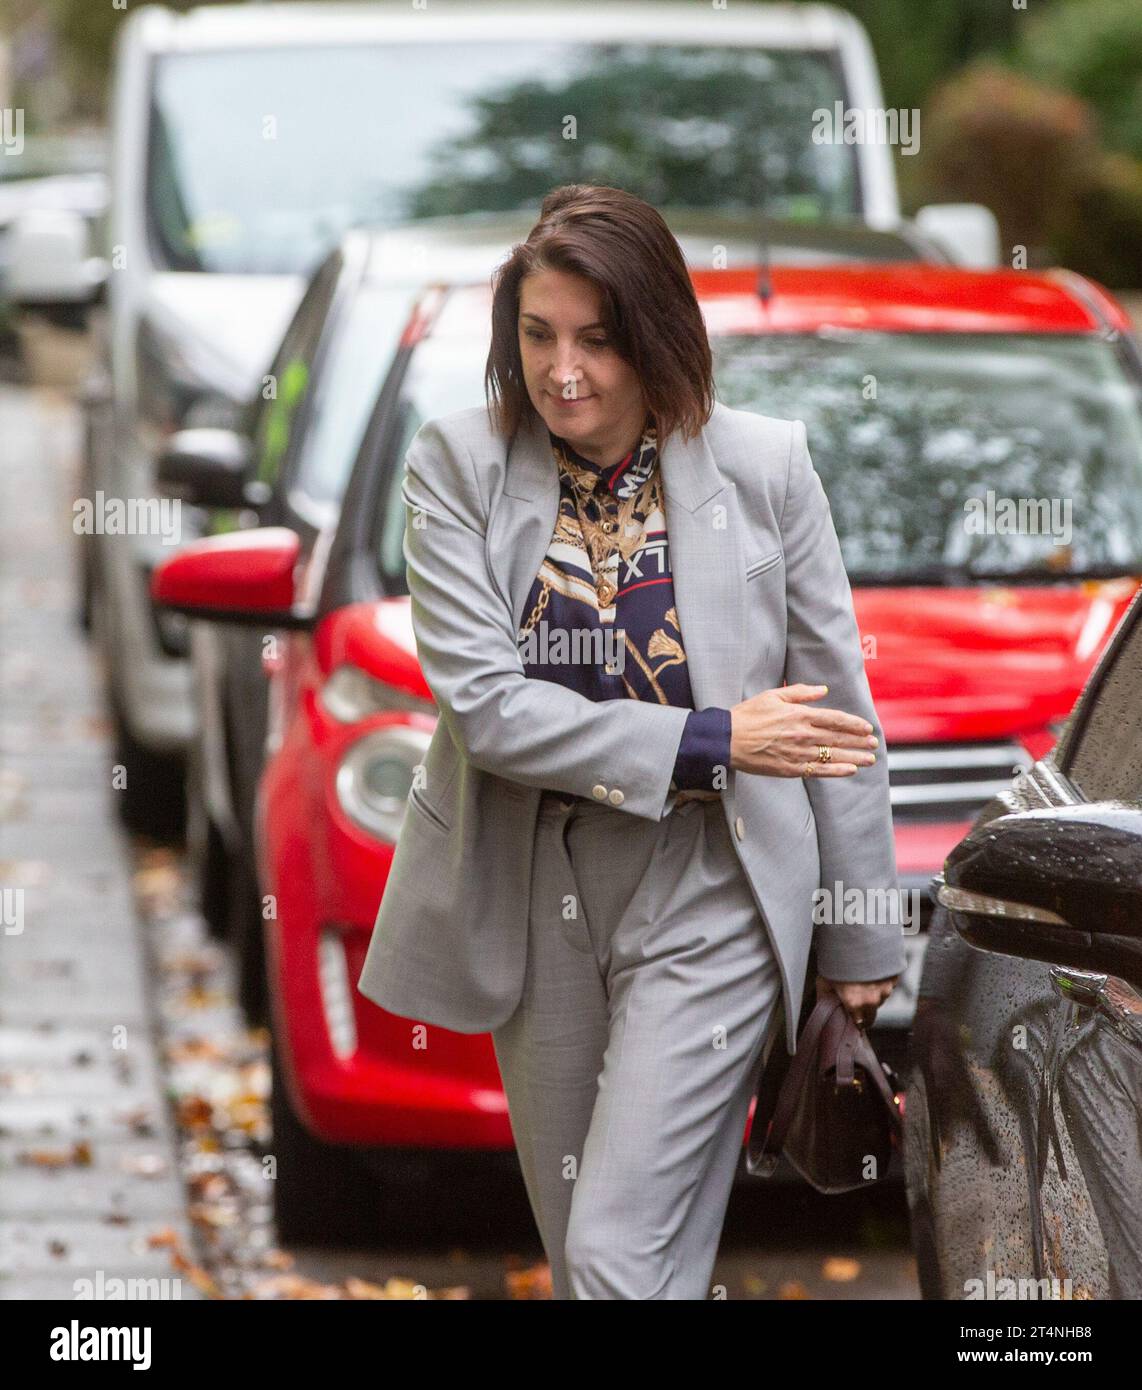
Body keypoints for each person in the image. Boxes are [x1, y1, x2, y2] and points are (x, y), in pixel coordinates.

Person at [356, 183, 903, 1299]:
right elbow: (487, 706)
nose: (564, 371)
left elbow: (834, 716)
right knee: (603, 1259)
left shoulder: (764, 466)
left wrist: (855, 938)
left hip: (709, 883)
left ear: (655, 337)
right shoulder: (454, 465)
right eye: (538, 335)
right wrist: (708, 736)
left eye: (597, 341)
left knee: (613, 1252)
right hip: (533, 882)